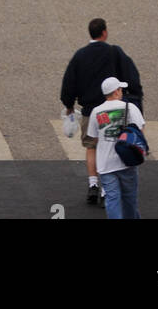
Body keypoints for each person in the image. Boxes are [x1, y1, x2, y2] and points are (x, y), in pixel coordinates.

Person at [60, 18, 144, 206]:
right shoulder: (114, 52)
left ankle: (93, 183)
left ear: (90, 33)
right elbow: (131, 77)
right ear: (104, 33)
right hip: (113, 108)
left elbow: (68, 83)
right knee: (111, 144)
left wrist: (69, 105)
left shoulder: (80, 56)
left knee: (92, 147)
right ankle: (108, 188)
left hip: (90, 111)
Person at [86, 78, 146, 220]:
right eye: (120, 89)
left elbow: (94, 138)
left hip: (106, 164)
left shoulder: (96, 112)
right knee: (129, 199)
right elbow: (140, 131)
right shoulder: (130, 108)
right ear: (116, 91)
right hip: (126, 161)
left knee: (112, 200)